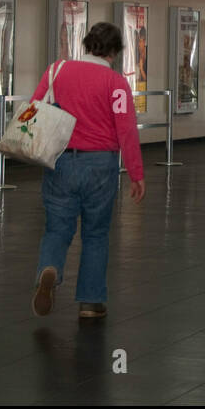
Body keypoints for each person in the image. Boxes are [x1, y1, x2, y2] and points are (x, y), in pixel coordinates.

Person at [31, 21, 146, 320]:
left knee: (57, 227)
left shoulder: (57, 70)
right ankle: (90, 302)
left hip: (60, 160)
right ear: (115, 51)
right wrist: (136, 173)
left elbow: (34, 107)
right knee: (96, 233)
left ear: (86, 44)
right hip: (100, 165)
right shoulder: (116, 83)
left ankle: (49, 268)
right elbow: (127, 130)